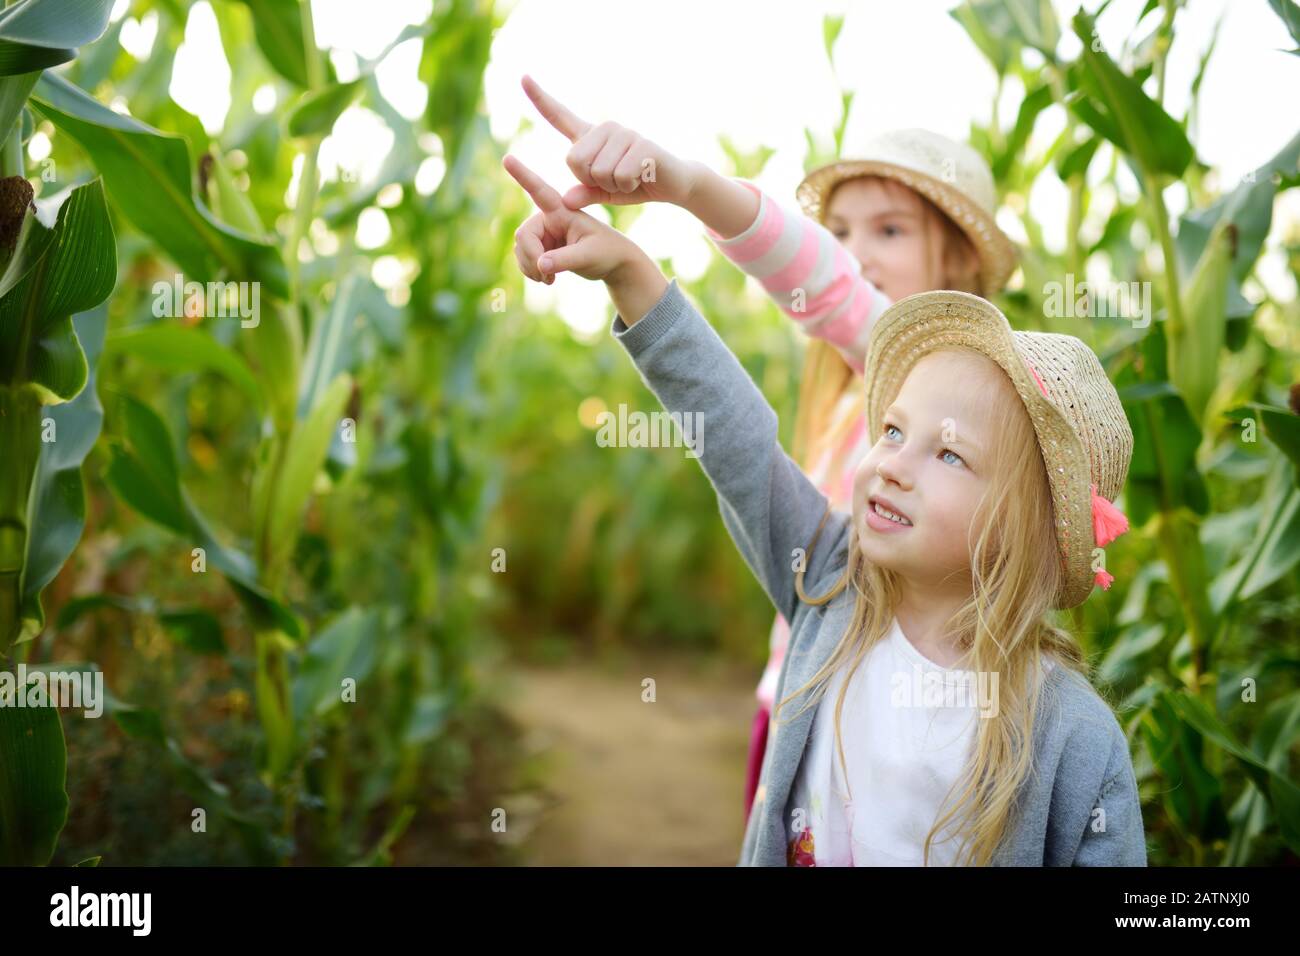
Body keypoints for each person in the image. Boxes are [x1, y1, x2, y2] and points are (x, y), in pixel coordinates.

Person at [503, 101, 1146, 869]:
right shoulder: (827, 588)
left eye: (947, 457)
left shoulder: (1072, 735)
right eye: (892, 432)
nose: (893, 464)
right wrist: (630, 272)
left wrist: (684, 182)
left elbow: (827, 286)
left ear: (1027, 525)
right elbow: (734, 434)